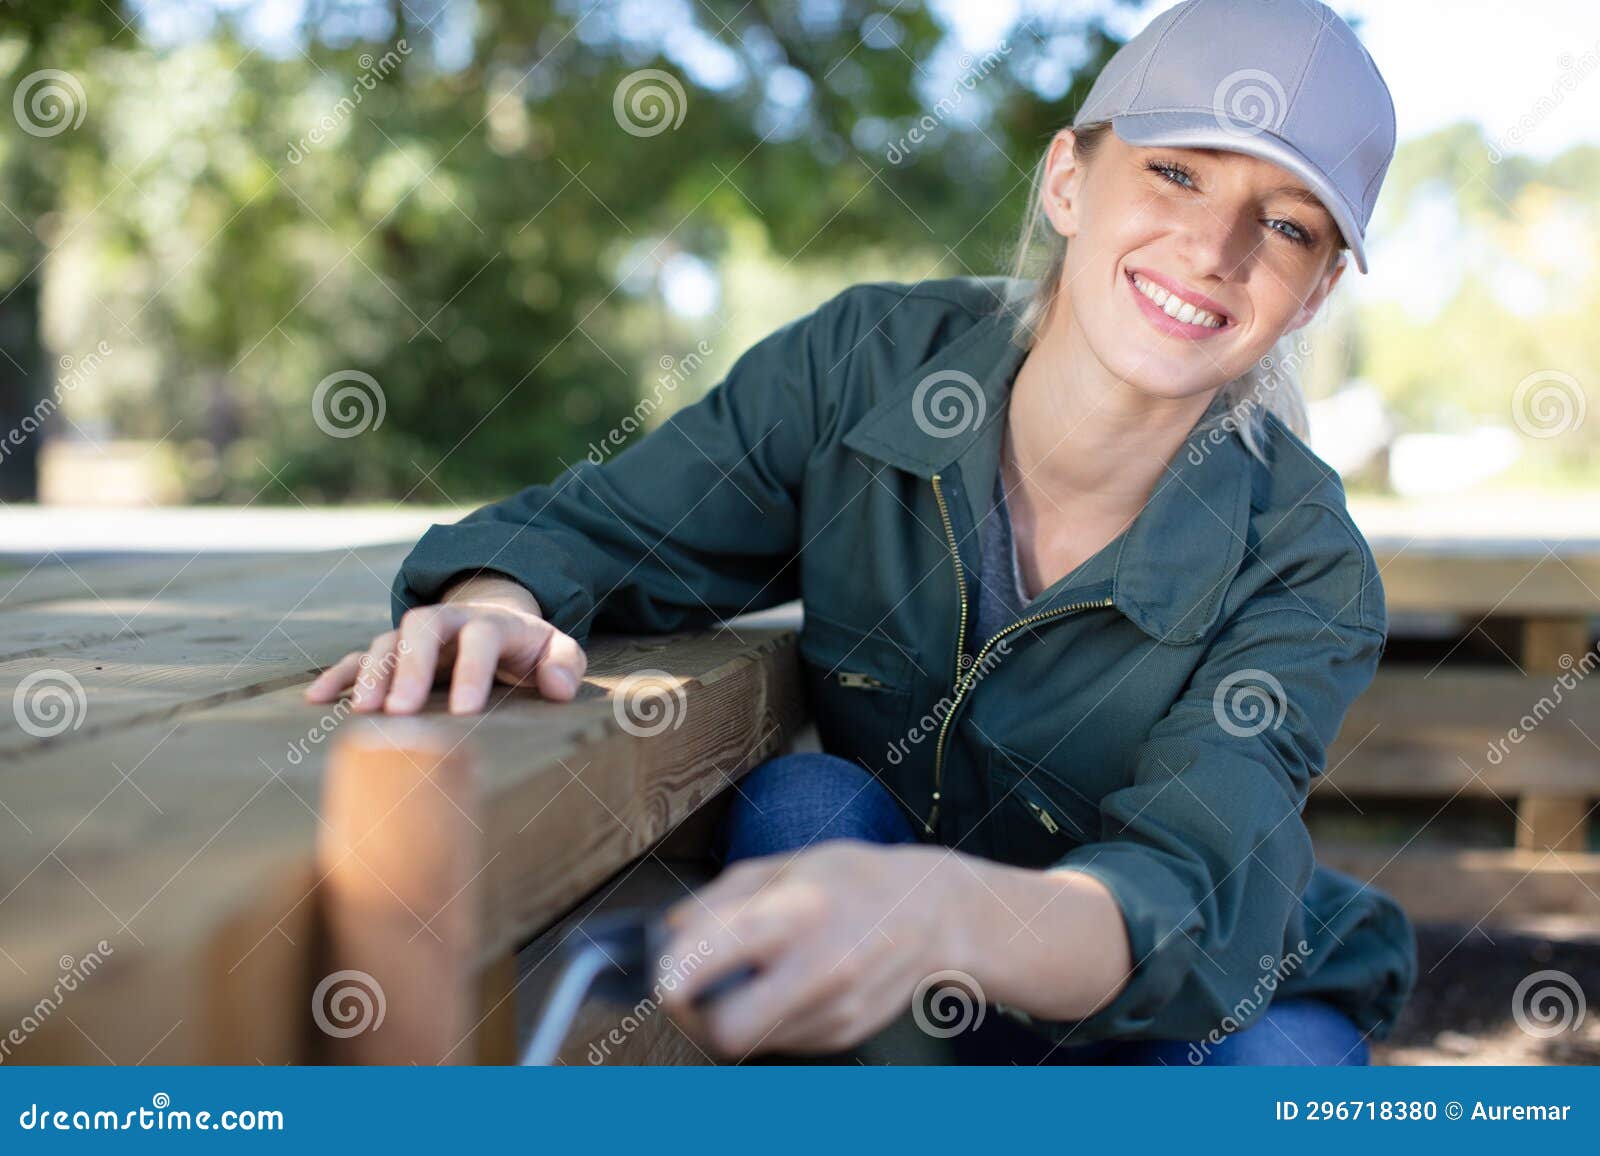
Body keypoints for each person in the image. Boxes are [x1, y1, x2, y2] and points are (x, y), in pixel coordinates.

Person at [306, 0, 1417, 1065]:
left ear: (1313, 294)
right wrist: (495, 605)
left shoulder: (1304, 563)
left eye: (1284, 226)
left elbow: (1194, 895)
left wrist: (942, 911)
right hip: (882, 977)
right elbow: (611, 526)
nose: (1214, 246)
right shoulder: (865, 366)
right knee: (803, 807)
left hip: (1174, 1020)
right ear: (1070, 179)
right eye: (1176, 170)